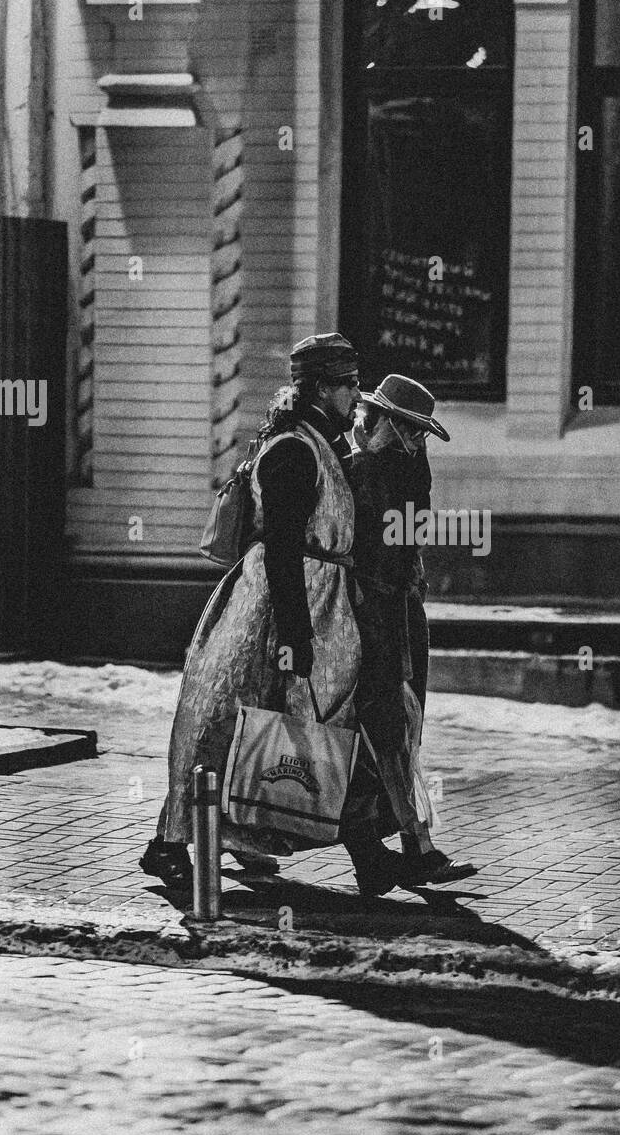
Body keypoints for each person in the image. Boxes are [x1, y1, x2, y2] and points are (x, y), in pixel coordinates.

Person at [141, 333, 414, 898]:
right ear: (320, 387)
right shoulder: (294, 449)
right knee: (224, 723)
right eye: (349, 385)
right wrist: (292, 634)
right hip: (277, 607)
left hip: (324, 603)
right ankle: (168, 845)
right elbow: (285, 545)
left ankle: (367, 855)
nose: (356, 394)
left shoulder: (320, 442)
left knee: (332, 725)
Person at [350, 374, 477, 885]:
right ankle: (407, 848)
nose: (416, 441)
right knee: (383, 728)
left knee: (399, 728)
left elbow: (408, 542)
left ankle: (392, 850)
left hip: (399, 615)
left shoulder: (401, 471)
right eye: (409, 430)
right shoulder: (359, 471)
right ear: (382, 421)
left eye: (421, 434)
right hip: (369, 620)